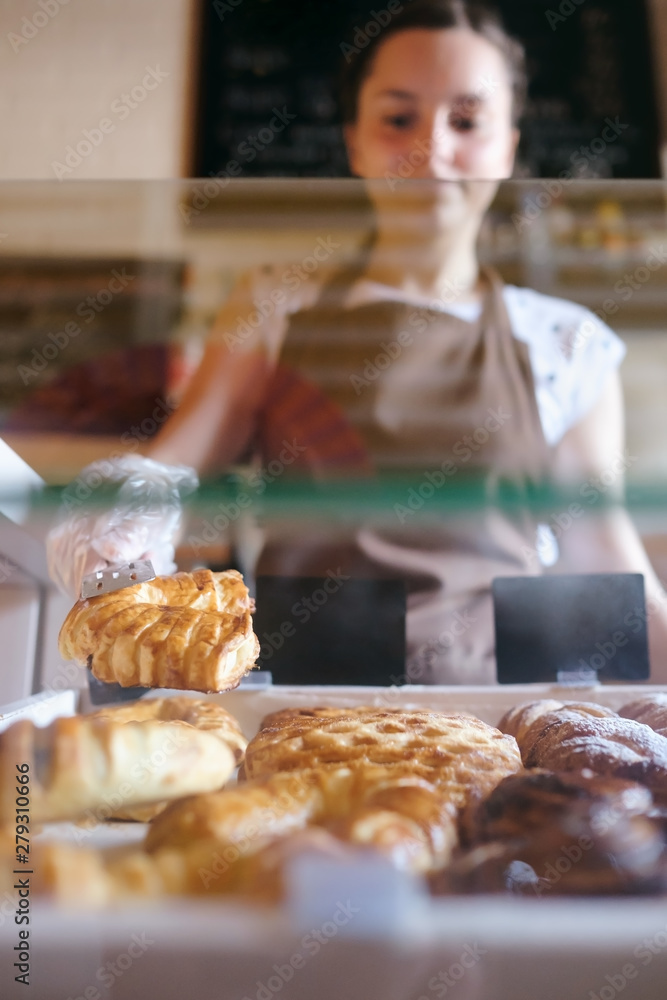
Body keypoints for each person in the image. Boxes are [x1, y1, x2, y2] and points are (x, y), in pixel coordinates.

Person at [136, 0, 667, 681]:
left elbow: (602, 555)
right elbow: (177, 465)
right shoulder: (273, 304)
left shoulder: (568, 342)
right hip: (302, 705)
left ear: (507, 147)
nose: (430, 148)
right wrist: (124, 515)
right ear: (355, 141)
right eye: (397, 118)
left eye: (466, 121)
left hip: (495, 711)